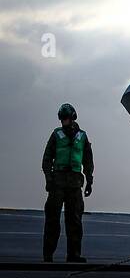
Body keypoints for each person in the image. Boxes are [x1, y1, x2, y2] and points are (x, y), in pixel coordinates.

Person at [41, 103, 94, 263]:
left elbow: (88, 161)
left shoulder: (82, 137)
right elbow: (46, 159)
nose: (63, 121)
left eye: (66, 118)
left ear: (72, 118)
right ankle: (48, 255)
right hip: (57, 182)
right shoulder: (56, 135)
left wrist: (89, 181)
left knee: (75, 221)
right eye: (62, 119)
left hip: (75, 184)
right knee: (52, 219)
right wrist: (48, 179)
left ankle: (74, 255)